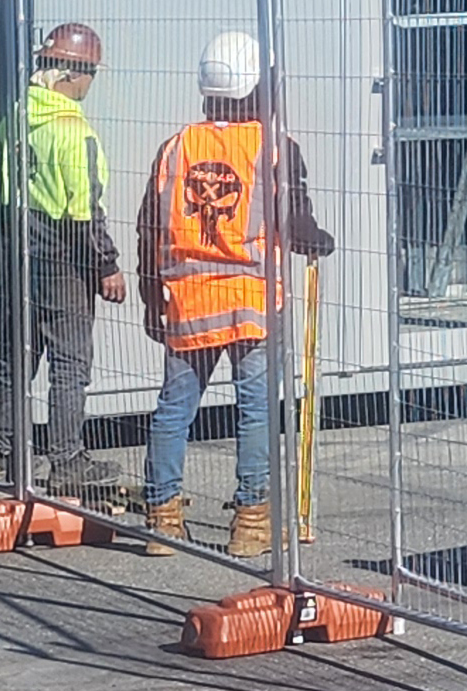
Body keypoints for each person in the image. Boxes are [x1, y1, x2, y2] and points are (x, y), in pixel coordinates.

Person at [136, 30, 330, 559]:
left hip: (189, 300)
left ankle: (163, 519)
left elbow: (149, 226)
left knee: (174, 409)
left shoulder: (175, 147)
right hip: (252, 301)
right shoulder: (273, 147)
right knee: (255, 410)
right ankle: (250, 522)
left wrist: (151, 292)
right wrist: (317, 239)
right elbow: (295, 222)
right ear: (257, 88)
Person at [0, 21, 129, 497]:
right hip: (64, 259)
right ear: (72, 73)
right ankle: (67, 461)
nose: (91, 84)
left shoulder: (18, 115)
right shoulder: (72, 130)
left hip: (20, 249)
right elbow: (84, 211)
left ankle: (0, 454)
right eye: (90, 74)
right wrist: (107, 265)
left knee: (18, 358)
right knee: (70, 365)